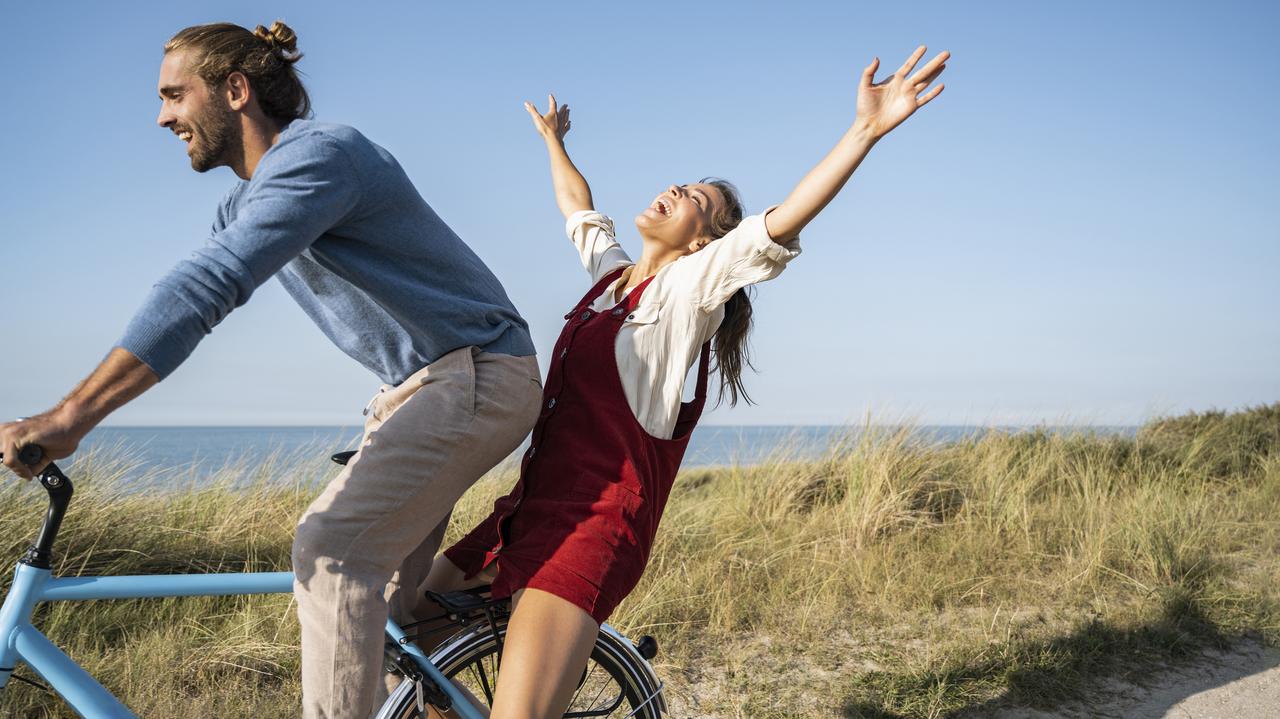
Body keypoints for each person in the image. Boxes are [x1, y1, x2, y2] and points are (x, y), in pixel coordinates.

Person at [0, 21, 543, 718]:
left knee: (331, 554)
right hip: (421, 390)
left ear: (235, 90)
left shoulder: (321, 154)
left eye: (174, 95)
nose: (161, 116)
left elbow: (210, 284)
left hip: (477, 375)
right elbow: (192, 284)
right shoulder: (247, 198)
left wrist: (70, 415)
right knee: (375, 619)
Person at [411, 46, 950, 718]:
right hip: (524, 516)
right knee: (404, 636)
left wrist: (865, 131)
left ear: (705, 242)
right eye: (684, 182)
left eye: (696, 198)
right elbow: (579, 210)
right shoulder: (612, 283)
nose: (676, 188)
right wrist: (553, 140)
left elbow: (781, 222)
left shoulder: (690, 293)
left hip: (590, 533)